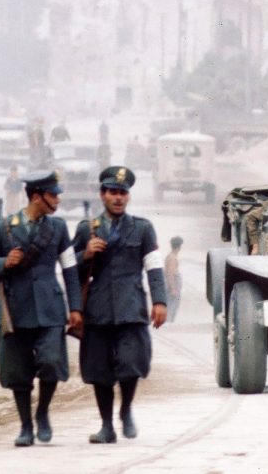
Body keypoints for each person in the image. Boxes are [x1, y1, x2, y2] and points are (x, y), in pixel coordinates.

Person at [0, 170, 83, 447]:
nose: (58, 200)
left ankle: (42, 412)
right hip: (16, 310)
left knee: (52, 362)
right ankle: (25, 425)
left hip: (50, 308)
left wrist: (75, 308)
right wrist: (4, 262)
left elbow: (70, 270)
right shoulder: (4, 227)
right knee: (18, 370)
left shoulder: (58, 228)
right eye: (53, 196)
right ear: (37, 197)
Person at [73, 166, 167, 444]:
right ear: (102, 195)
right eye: (113, 192)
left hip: (131, 307)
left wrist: (160, 301)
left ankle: (125, 409)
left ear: (128, 196)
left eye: (122, 193)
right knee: (99, 370)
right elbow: (69, 269)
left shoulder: (142, 228)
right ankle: (106, 426)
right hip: (98, 309)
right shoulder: (86, 229)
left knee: (131, 363)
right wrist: (85, 253)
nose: (118, 198)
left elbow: (154, 266)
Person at [164, 236, 184, 323]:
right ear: (179, 247)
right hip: (173, 283)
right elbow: (170, 273)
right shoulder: (172, 257)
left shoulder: (170, 256)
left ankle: (169, 321)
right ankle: (168, 322)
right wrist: (173, 288)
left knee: (172, 304)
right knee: (172, 305)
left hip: (173, 283)